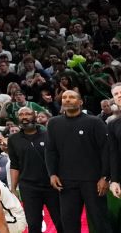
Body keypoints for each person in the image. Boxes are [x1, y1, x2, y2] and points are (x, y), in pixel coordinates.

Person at [45, 88, 108, 233]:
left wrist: (105, 176)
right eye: (64, 97)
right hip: (66, 182)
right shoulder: (53, 123)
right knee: (69, 223)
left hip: (93, 181)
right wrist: (52, 174)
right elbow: (50, 151)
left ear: (80, 102)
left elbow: (106, 150)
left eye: (72, 97)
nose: (67, 99)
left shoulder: (95, 122)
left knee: (100, 221)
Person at [6, 106, 63, 233]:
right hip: (28, 187)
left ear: (35, 116)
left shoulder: (49, 134)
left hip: (52, 186)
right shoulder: (13, 139)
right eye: (21, 115)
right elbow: (14, 165)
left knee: (60, 221)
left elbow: (59, 159)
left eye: (28, 114)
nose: (24, 117)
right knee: (33, 224)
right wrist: (13, 188)